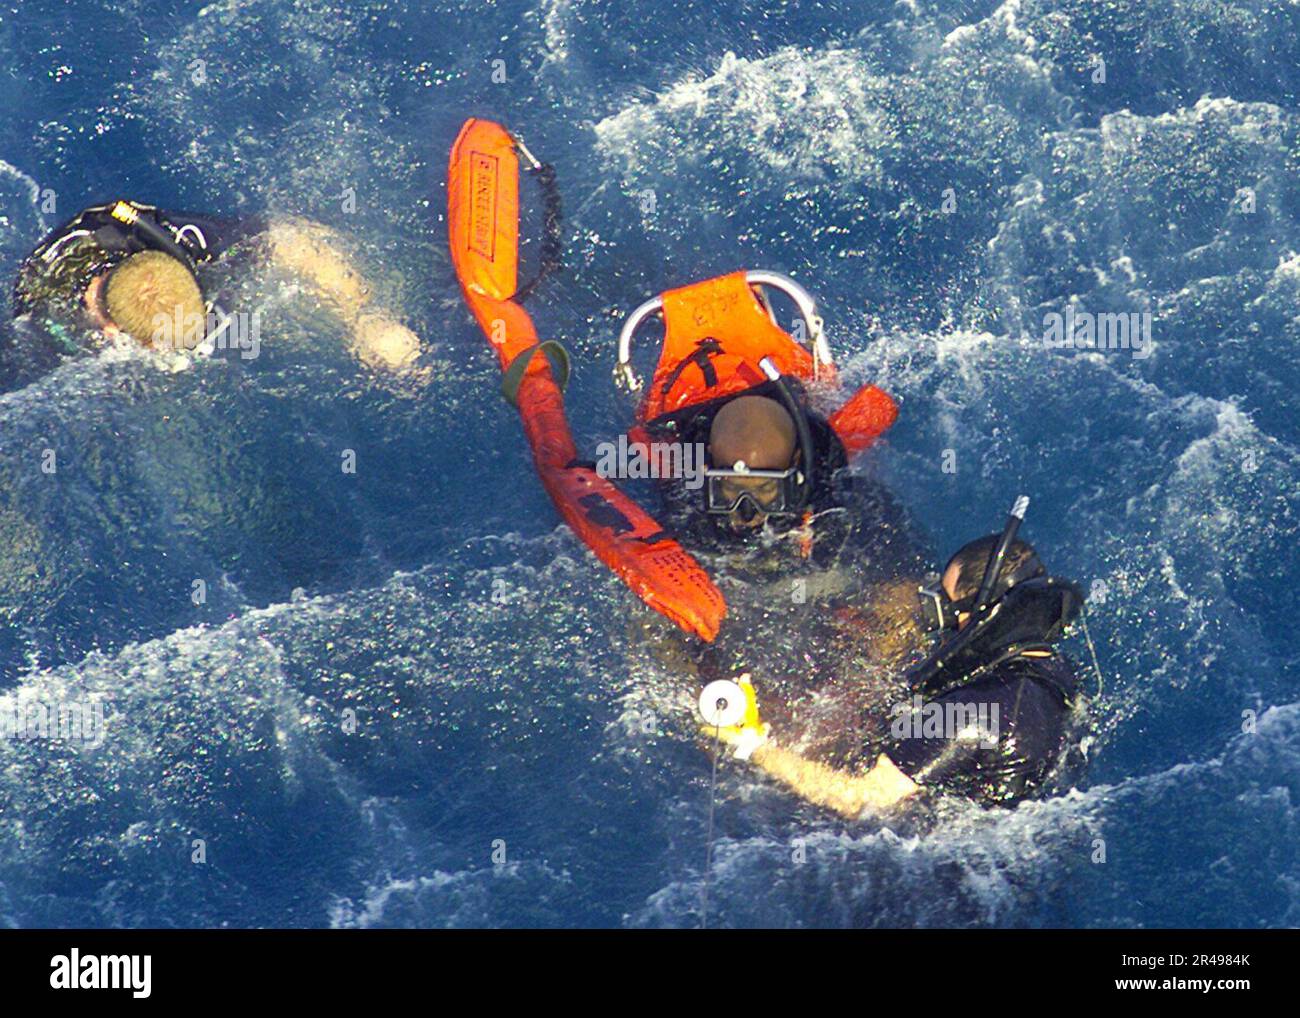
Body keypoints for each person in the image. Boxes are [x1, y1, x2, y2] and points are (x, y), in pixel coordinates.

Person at [702, 505, 1089, 816]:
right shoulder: (1055, 675)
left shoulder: (971, 712)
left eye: (945, 611)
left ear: (978, 617)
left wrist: (751, 747)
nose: (939, 628)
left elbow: (861, 800)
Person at [5, 198, 422, 389]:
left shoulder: (186, 243)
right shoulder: (44, 319)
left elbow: (290, 237)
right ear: (114, 333)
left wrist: (364, 316)